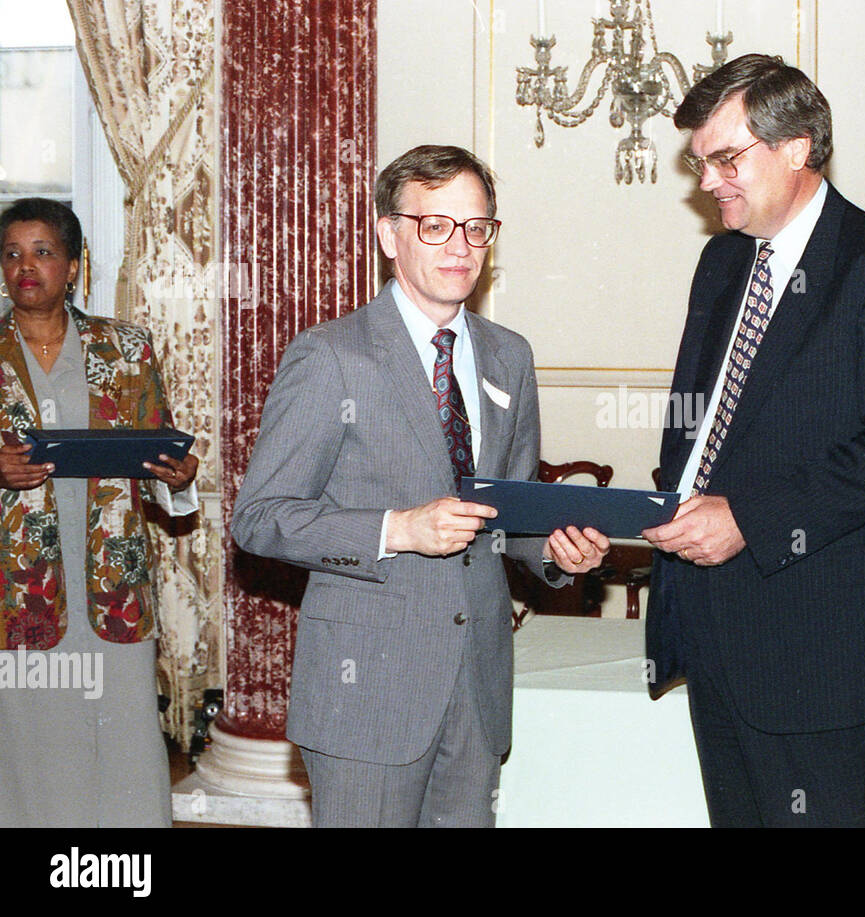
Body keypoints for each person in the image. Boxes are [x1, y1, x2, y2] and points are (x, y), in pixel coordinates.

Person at [231, 145, 609, 828]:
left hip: (477, 687)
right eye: (435, 225)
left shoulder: (508, 355)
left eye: (476, 226)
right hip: (366, 694)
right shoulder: (331, 355)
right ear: (387, 234)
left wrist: (556, 552)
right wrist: (397, 529)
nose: (460, 246)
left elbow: (509, 510)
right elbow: (259, 518)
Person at [642, 55, 865, 827]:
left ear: (796, 147)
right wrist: (651, 506)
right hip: (714, 635)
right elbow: (696, 430)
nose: (708, 180)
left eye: (725, 158)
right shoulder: (720, 262)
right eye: (699, 162)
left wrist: (747, 514)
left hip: (822, 657)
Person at [0, 197, 199, 827]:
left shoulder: (126, 349)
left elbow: (159, 451)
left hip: (114, 586)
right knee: (32, 750)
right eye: (11, 254)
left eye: (42, 252)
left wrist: (178, 476)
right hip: (19, 589)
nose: (25, 267)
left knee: (125, 743)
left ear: (75, 265)